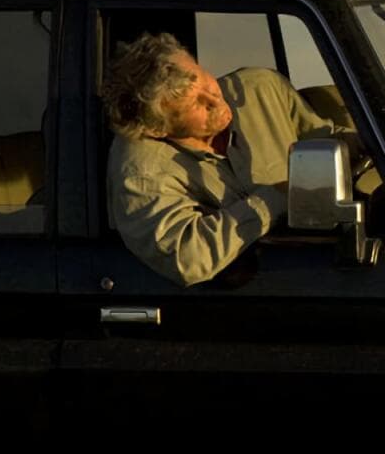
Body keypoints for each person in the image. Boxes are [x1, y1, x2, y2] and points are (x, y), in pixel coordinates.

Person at [101, 32, 342, 286]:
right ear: (157, 130)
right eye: (195, 104)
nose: (216, 100)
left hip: (320, 270)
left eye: (205, 81)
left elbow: (329, 139)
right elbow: (187, 257)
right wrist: (279, 197)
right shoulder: (141, 171)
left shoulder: (260, 89)